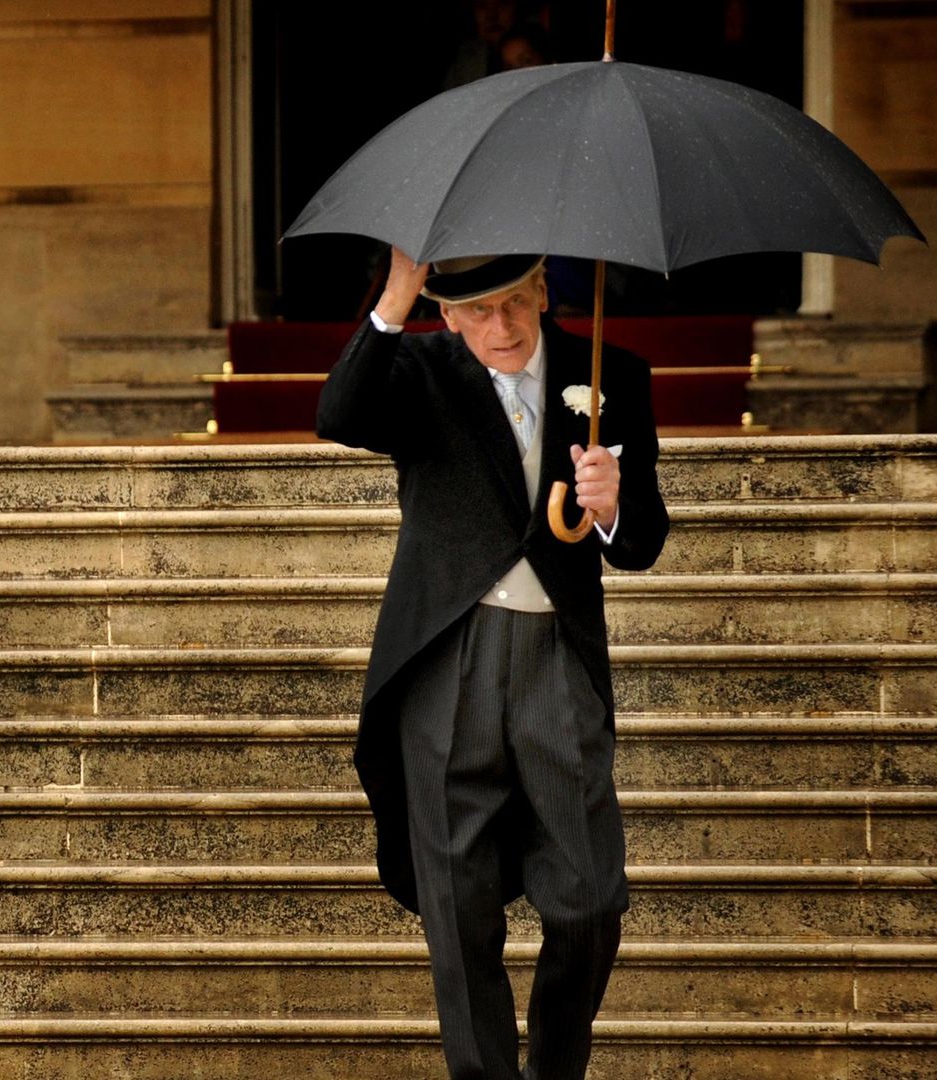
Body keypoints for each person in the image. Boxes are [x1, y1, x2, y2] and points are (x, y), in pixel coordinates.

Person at [315, 249, 668, 1080]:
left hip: (557, 660)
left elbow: (643, 543)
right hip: (448, 661)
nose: (501, 327)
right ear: (446, 314)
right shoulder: (416, 369)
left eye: (515, 302)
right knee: (458, 911)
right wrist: (395, 296)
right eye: (477, 311)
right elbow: (340, 412)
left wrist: (614, 505)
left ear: (545, 290)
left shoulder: (610, 371)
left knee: (587, 901)